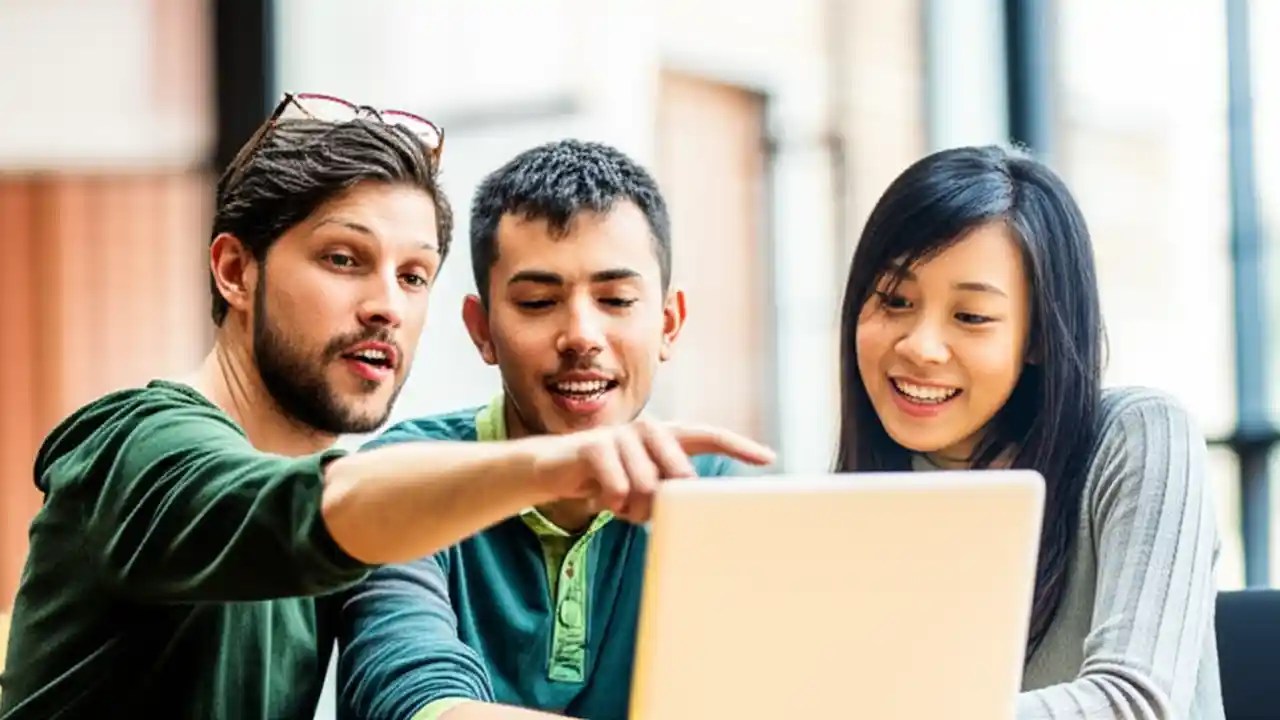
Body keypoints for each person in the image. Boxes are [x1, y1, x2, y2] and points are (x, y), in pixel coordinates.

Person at [0, 96, 769, 720]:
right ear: (236, 271)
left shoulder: (353, 510)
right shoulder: (138, 445)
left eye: (413, 277)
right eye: (345, 260)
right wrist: (558, 462)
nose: (386, 308)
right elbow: (307, 518)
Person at [336, 139, 767, 720]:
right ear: (481, 329)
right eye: (539, 302)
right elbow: (407, 698)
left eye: (616, 299)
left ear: (668, 323)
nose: (582, 336)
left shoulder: (724, 496)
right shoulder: (409, 476)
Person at [836, 145, 1223, 719]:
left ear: (1040, 335)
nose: (919, 345)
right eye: (894, 300)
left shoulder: (1139, 437)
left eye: (971, 317)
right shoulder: (855, 506)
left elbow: (1135, 704)